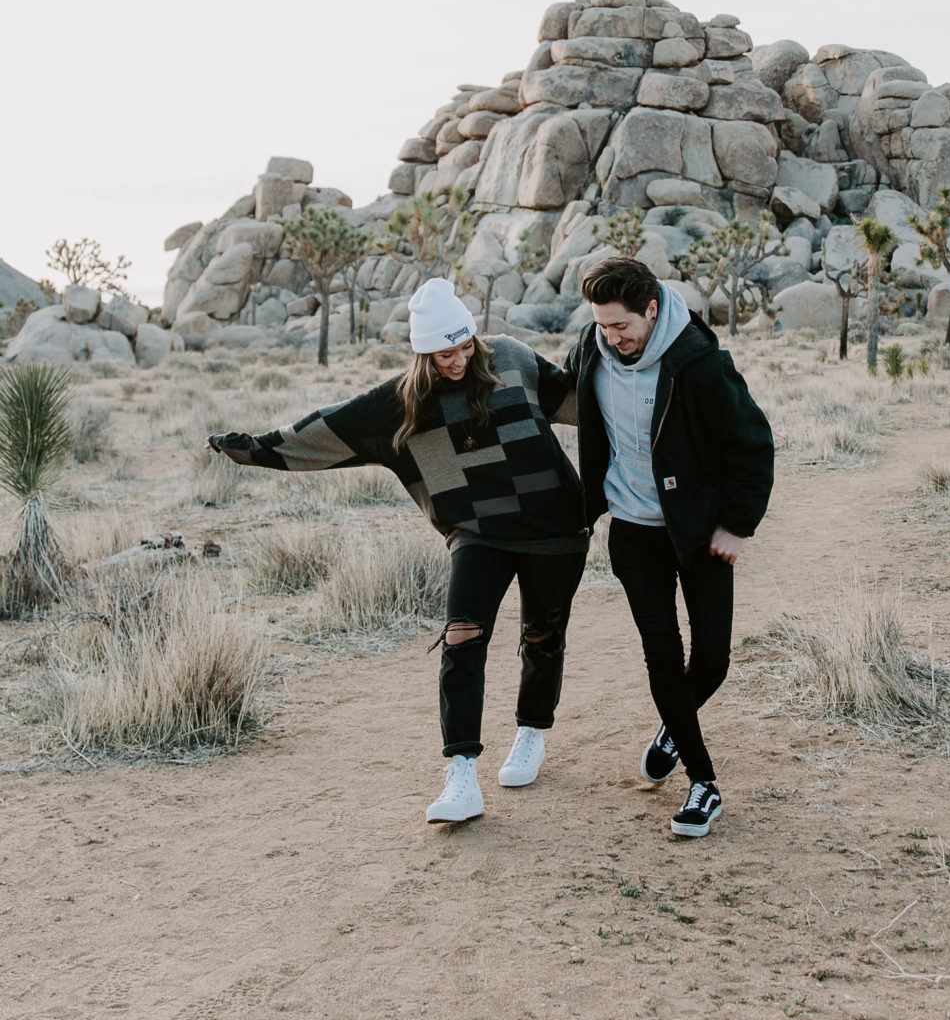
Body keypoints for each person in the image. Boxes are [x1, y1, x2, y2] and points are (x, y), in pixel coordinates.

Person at [208, 278, 589, 825]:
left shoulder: (511, 357)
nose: (458, 361)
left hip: (555, 524)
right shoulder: (397, 405)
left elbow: (582, 399)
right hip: (476, 532)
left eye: (463, 348)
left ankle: (530, 732)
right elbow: (323, 431)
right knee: (462, 634)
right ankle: (461, 773)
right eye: (443, 353)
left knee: (542, 634)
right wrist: (250, 448)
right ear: (421, 351)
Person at [565, 256, 773, 838]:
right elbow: (561, 395)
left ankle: (671, 731)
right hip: (631, 533)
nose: (612, 337)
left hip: (698, 533)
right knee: (662, 654)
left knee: (711, 660)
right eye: (602, 325)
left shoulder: (700, 367)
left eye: (621, 326)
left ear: (651, 311)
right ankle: (703, 784)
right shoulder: (591, 350)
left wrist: (737, 526)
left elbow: (753, 447)